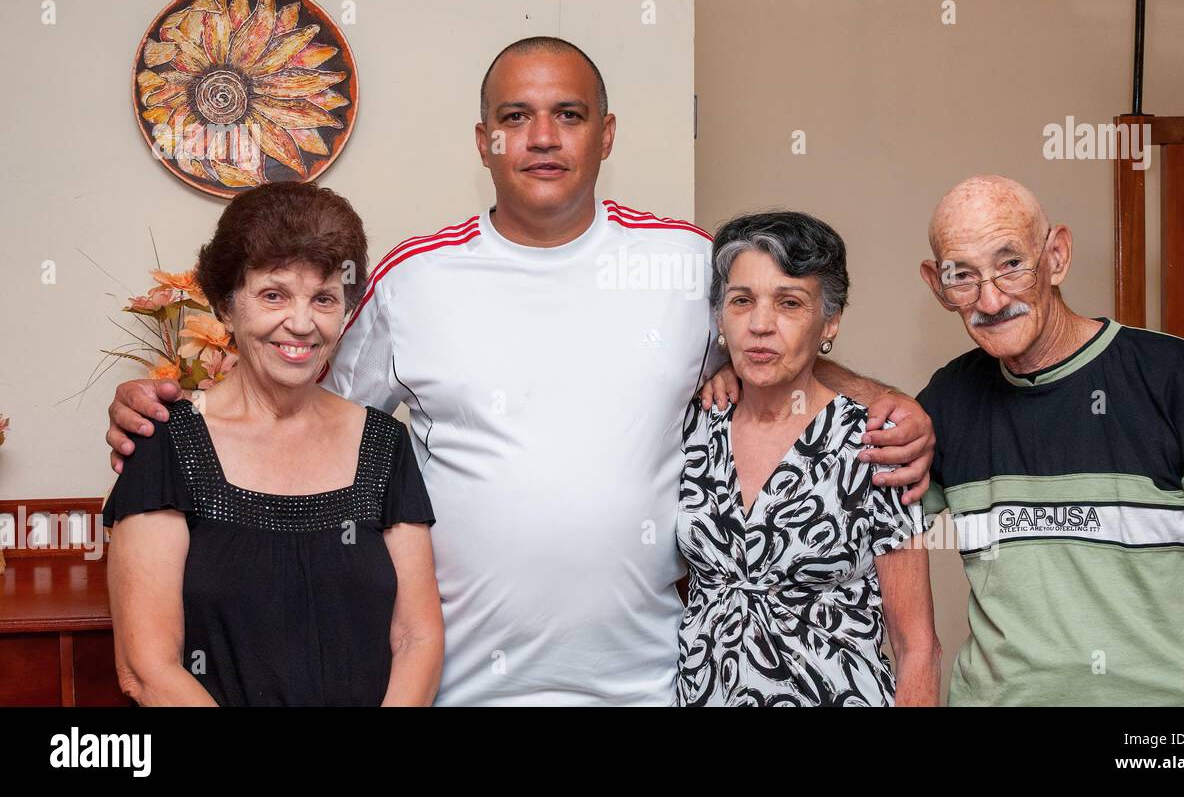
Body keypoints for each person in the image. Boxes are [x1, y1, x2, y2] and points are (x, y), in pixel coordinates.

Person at [106, 36, 935, 706]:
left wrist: (887, 402)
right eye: (518, 115)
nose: (543, 136)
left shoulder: (686, 263)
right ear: (485, 141)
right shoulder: (414, 277)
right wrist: (174, 418)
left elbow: (781, 352)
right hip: (457, 681)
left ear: (606, 134)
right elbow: (299, 402)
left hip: (654, 679)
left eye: (569, 114)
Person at [917, 174, 1184, 706]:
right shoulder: (947, 400)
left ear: (1056, 256)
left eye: (1010, 264)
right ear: (938, 286)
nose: (990, 298)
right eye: (963, 276)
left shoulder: (1183, 381)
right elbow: (865, 527)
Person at [103, 182, 442, 706]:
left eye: (324, 298)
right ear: (224, 305)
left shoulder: (383, 445)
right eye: (273, 295)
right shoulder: (164, 444)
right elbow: (147, 668)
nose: (301, 324)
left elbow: (416, 638)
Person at [677, 212, 941, 706]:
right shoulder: (692, 430)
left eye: (789, 303)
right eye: (741, 301)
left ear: (830, 321)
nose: (759, 325)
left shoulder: (876, 443)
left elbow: (918, 647)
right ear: (718, 317)